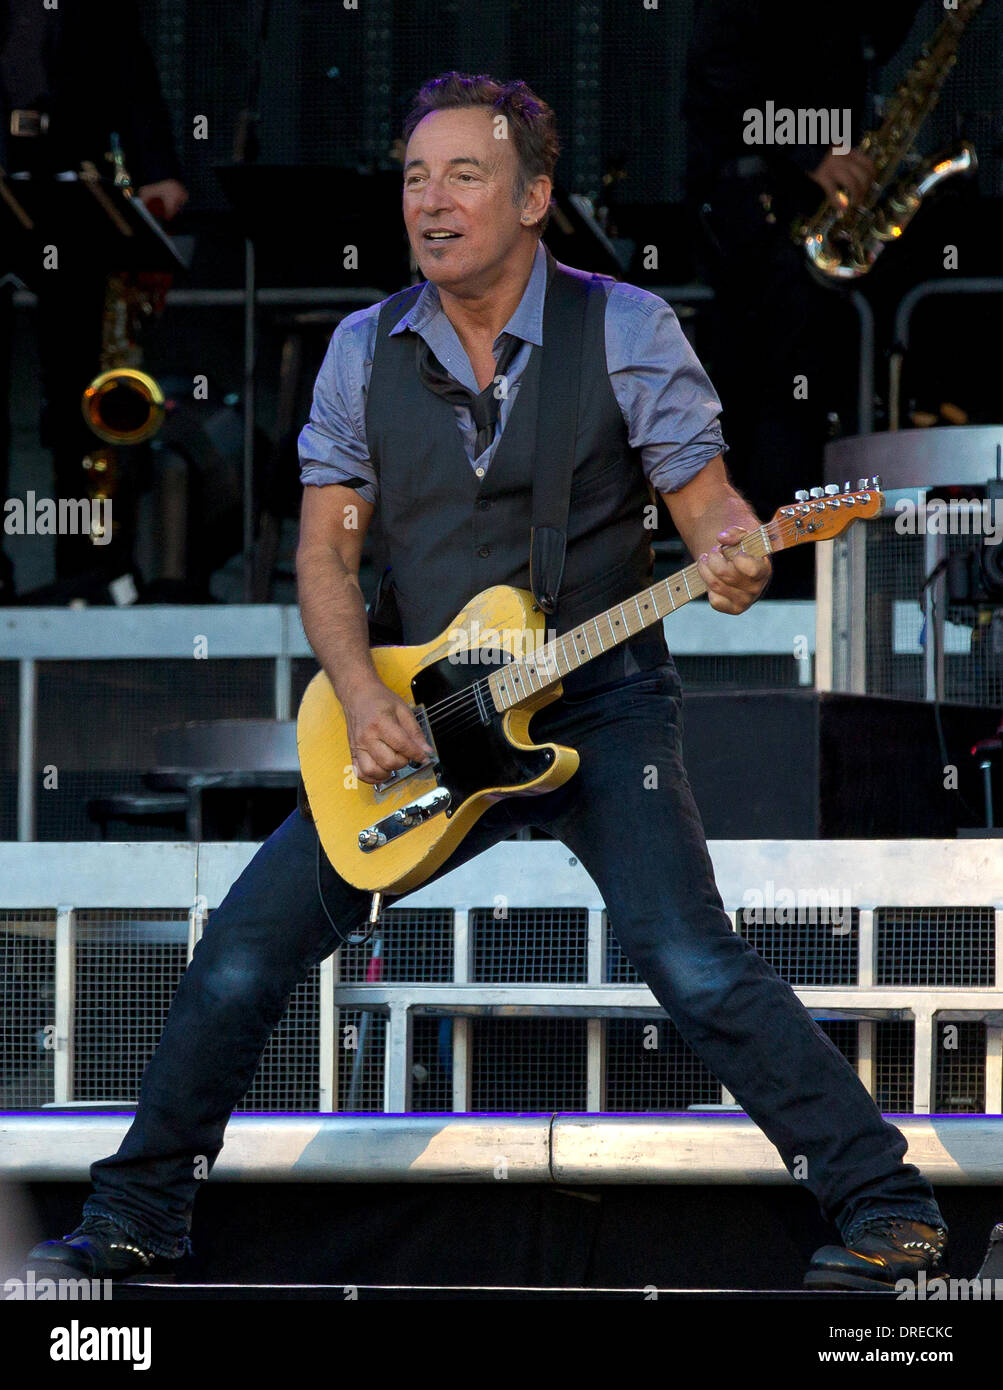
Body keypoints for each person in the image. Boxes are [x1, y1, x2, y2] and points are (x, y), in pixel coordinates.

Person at [29, 71, 946, 1292]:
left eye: (465, 174)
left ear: (534, 200)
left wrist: (733, 554)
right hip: (427, 715)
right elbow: (325, 550)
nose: (431, 201)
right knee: (242, 952)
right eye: (415, 176)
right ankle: (139, 1213)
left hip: (604, 697)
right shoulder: (362, 350)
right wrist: (359, 692)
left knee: (694, 961)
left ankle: (886, 1206)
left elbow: (709, 504)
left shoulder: (625, 326)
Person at [682, 0, 924, 598]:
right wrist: (812, 153)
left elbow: (873, 34)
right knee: (773, 400)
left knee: (809, 398)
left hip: (809, 212)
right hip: (758, 214)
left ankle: (813, 572)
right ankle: (775, 577)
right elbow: (717, 73)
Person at [0, 0, 188, 598]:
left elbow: (129, 72)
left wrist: (155, 165)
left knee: (84, 395)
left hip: (79, 191)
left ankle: (88, 574)